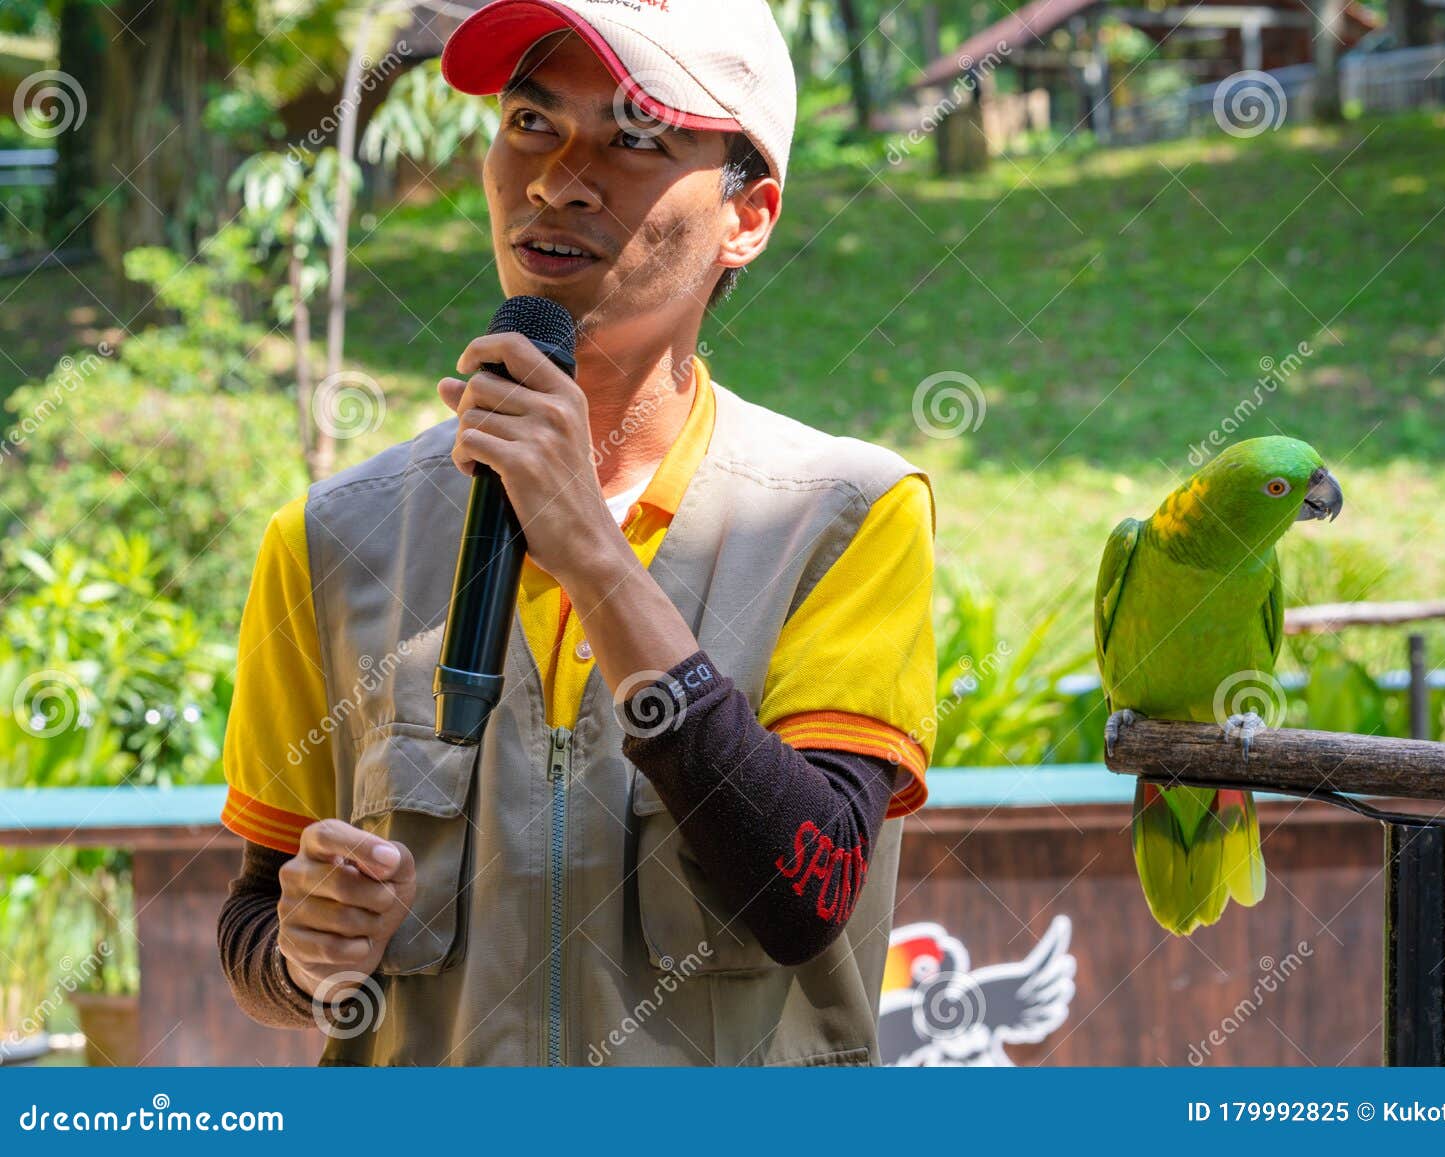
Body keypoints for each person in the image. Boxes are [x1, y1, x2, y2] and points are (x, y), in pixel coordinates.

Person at [216, 0, 937, 1066]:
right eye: (530, 124)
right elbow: (253, 924)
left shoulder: (844, 515)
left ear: (749, 215)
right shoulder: (330, 538)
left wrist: (591, 554)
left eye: (635, 137)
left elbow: (808, 891)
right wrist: (306, 951)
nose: (558, 177)